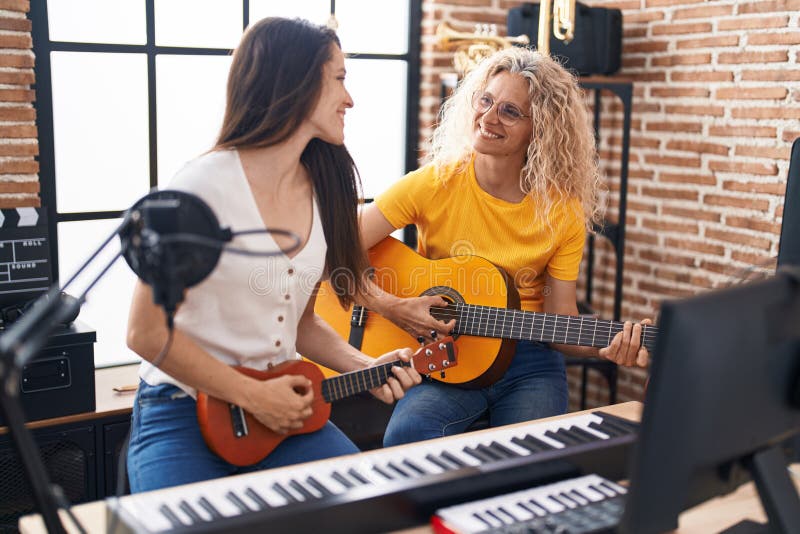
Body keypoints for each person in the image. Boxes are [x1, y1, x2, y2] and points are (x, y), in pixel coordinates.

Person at [126, 17, 420, 493]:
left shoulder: (325, 193)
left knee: (371, 504)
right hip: (181, 411)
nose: (350, 99)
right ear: (298, 83)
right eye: (340, 79)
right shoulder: (197, 188)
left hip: (279, 412)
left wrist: (362, 367)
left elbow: (299, 324)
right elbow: (144, 332)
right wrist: (252, 395)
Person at [358, 47, 651, 447]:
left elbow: (560, 320)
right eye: (486, 100)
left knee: (532, 459)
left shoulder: (561, 212)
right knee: (406, 440)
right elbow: (337, 249)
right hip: (448, 354)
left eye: (510, 112)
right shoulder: (433, 184)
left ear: (540, 128)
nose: (489, 117)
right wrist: (390, 306)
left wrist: (609, 346)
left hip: (529, 362)